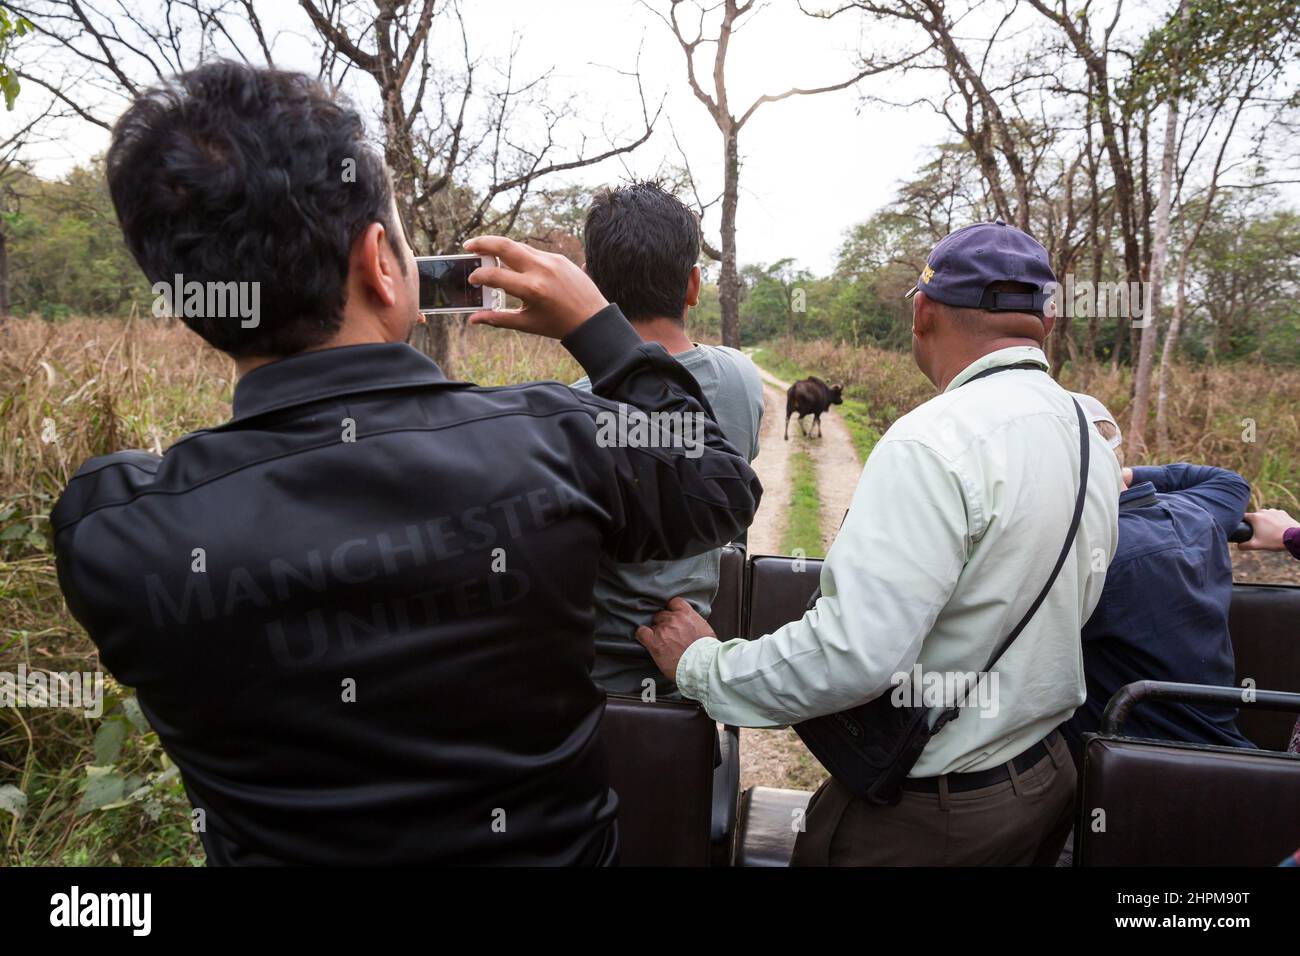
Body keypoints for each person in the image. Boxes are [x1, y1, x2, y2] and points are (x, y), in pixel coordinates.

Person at [50, 62, 760, 866]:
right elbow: (719, 486)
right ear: (380, 261)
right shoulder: (557, 441)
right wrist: (598, 328)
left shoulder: (114, 531)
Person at [636, 220, 1122, 866]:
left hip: (931, 818)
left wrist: (703, 665)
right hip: (1044, 780)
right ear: (1047, 324)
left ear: (922, 313)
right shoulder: (1091, 432)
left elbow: (854, 657)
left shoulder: (931, 442)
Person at [571, 182, 764, 699]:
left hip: (591, 679)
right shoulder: (741, 379)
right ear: (694, 286)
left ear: (591, 288)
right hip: (688, 663)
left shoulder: (571, 406)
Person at [1061, 394, 1255, 757]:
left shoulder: (1087, 557)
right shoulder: (1195, 513)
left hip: (1133, 766)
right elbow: (1230, 482)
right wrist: (1127, 475)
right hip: (1218, 750)